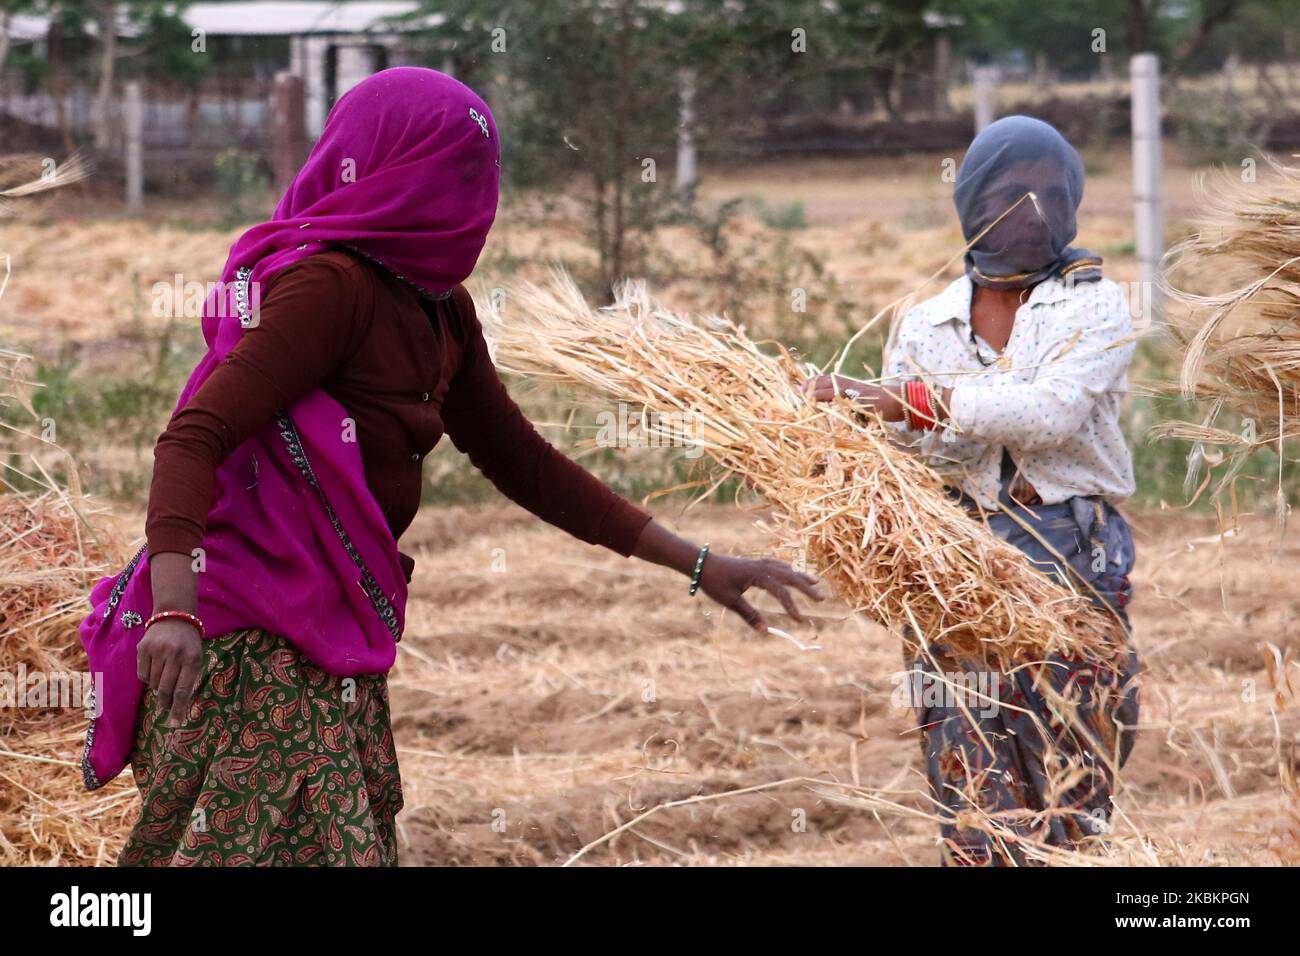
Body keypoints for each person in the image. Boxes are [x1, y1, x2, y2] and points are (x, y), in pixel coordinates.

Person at [79, 68, 820, 867]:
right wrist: (174, 610)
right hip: (248, 635)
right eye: (450, 173)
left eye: (478, 174)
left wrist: (697, 560)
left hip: (329, 631)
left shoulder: (439, 306)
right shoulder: (331, 288)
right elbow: (193, 436)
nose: (471, 195)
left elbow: (519, 458)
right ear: (386, 169)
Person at [804, 116, 1140, 865]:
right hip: (954, 559)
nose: (1036, 214)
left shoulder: (1094, 305)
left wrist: (905, 400)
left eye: (1054, 196)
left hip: (1071, 554)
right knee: (970, 777)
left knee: (1071, 772)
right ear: (973, 205)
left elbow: (1049, 414)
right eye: (1012, 195)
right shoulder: (926, 323)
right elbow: (904, 450)